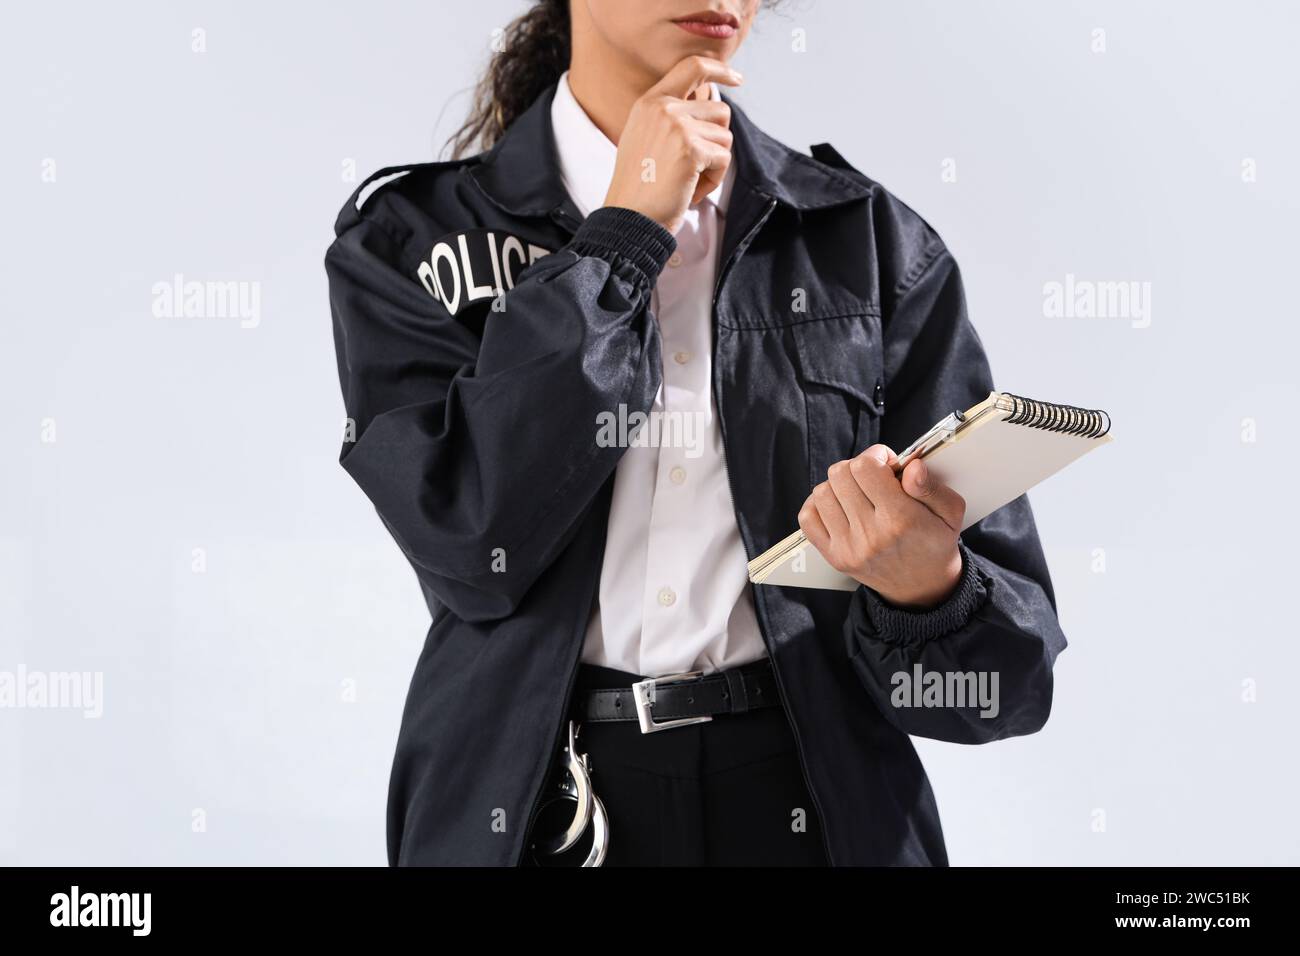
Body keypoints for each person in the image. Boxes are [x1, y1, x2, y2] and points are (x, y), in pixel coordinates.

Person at [325, 0, 1067, 866]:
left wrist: (931, 591)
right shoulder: (411, 241)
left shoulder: (867, 244)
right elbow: (466, 540)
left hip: (811, 815)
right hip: (535, 815)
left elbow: (1005, 690)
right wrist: (625, 235)